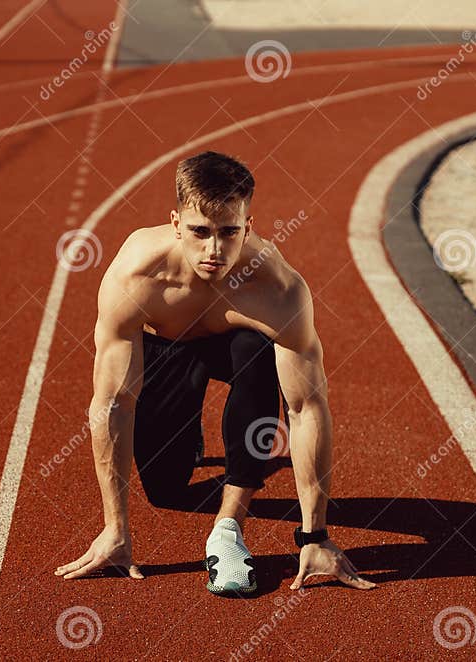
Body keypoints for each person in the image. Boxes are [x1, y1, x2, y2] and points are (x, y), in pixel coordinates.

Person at [54, 151, 376, 595]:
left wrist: (315, 535)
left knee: (259, 349)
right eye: (199, 232)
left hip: (238, 346)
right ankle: (187, 436)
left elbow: (305, 408)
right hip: (166, 350)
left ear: (249, 225)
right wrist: (115, 528)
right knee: (166, 490)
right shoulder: (137, 277)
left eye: (229, 232)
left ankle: (229, 526)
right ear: (175, 223)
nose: (214, 250)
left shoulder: (278, 291)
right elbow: (113, 402)